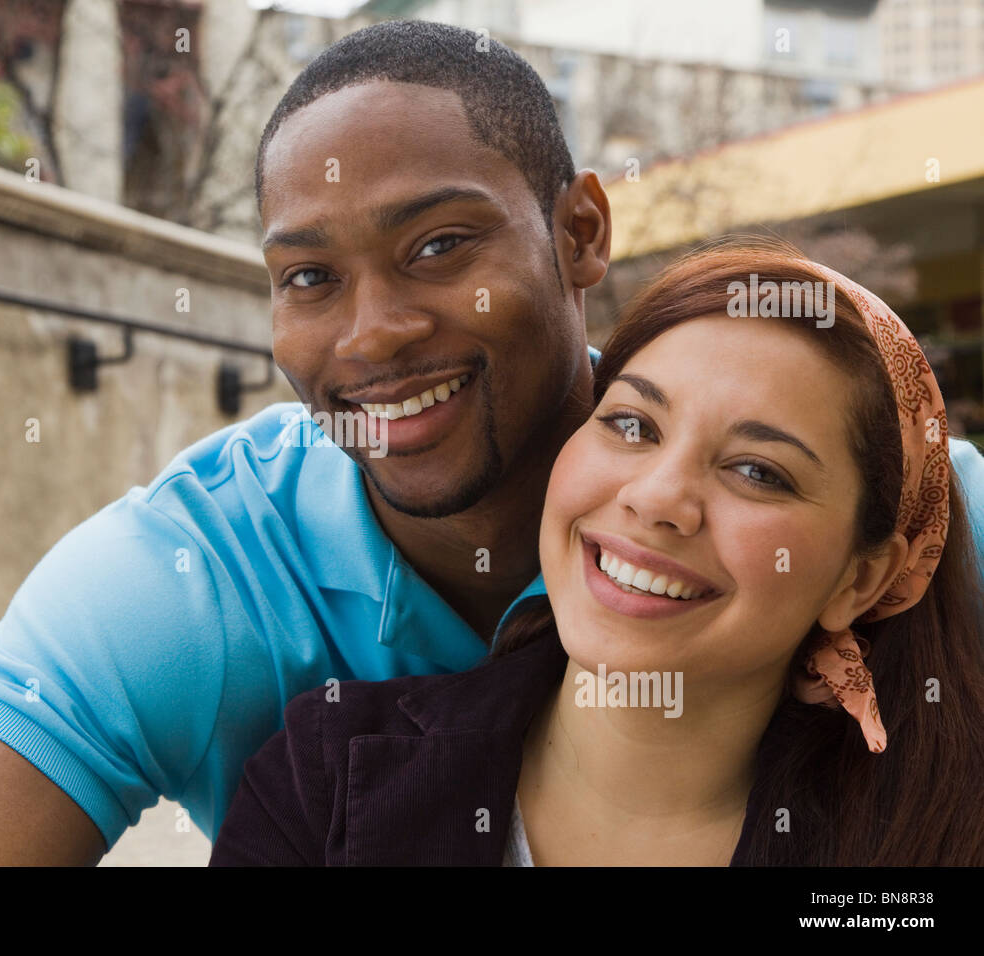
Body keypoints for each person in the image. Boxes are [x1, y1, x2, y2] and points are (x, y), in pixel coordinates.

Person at [0, 22, 984, 866]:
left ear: (578, 234)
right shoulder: (196, 574)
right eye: (309, 275)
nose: (374, 335)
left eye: (437, 247)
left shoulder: (907, 516)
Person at [208, 240, 984, 866]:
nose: (656, 498)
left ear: (862, 578)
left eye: (758, 471)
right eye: (634, 425)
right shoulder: (322, 782)